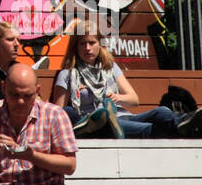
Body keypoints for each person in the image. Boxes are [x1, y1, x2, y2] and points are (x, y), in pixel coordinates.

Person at [52, 22, 201, 138]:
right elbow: (59, 113)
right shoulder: (68, 74)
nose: (87, 48)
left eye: (92, 43)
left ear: (100, 44)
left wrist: (117, 98)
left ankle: (183, 123)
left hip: (124, 115)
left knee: (161, 111)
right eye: (82, 43)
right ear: (75, 47)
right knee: (148, 129)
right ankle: (190, 131)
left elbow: (134, 100)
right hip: (101, 125)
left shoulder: (109, 67)